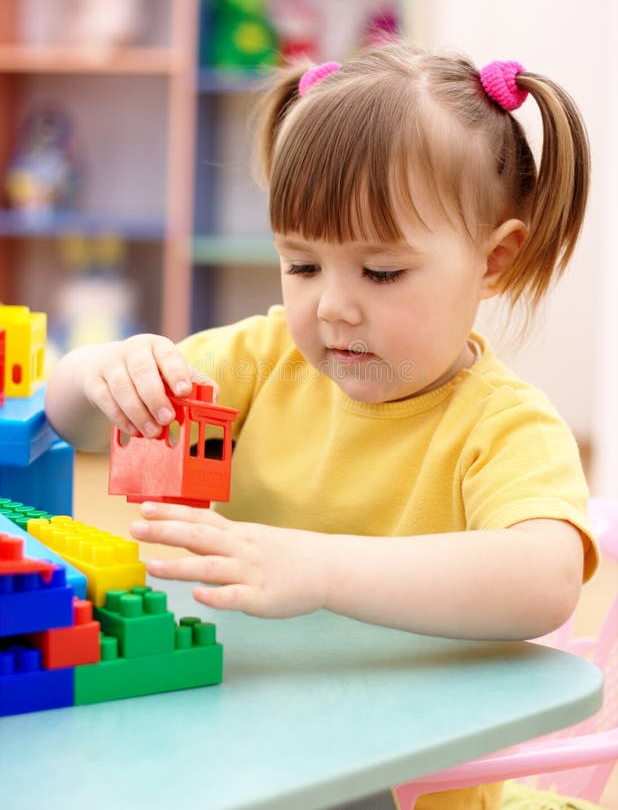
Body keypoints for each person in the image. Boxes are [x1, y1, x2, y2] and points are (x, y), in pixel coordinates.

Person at [45, 41, 599, 810]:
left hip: (408, 785)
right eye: (302, 265)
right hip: (240, 756)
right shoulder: (259, 359)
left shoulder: (503, 426)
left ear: (494, 259)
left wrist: (324, 570)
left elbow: (544, 579)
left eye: (380, 272)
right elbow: (74, 427)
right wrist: (98, 371)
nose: (333, 306)